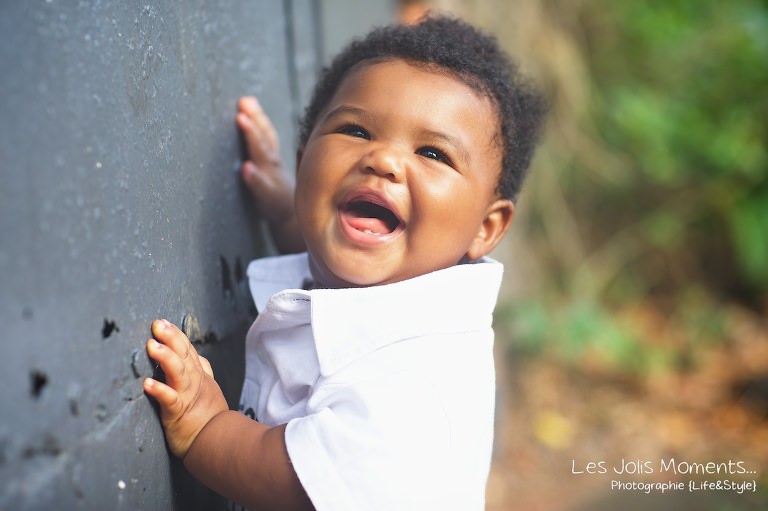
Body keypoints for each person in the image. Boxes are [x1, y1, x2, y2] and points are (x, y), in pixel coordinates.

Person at [143, 15, 545, 511]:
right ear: (304, 156)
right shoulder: (405, 280)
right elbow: (350, 277)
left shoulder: (416, 385)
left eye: (433, 153)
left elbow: (288, 478)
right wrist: (288, 208)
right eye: (356, 130)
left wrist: (205, 427)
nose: (384, 160)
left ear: (486, 227)